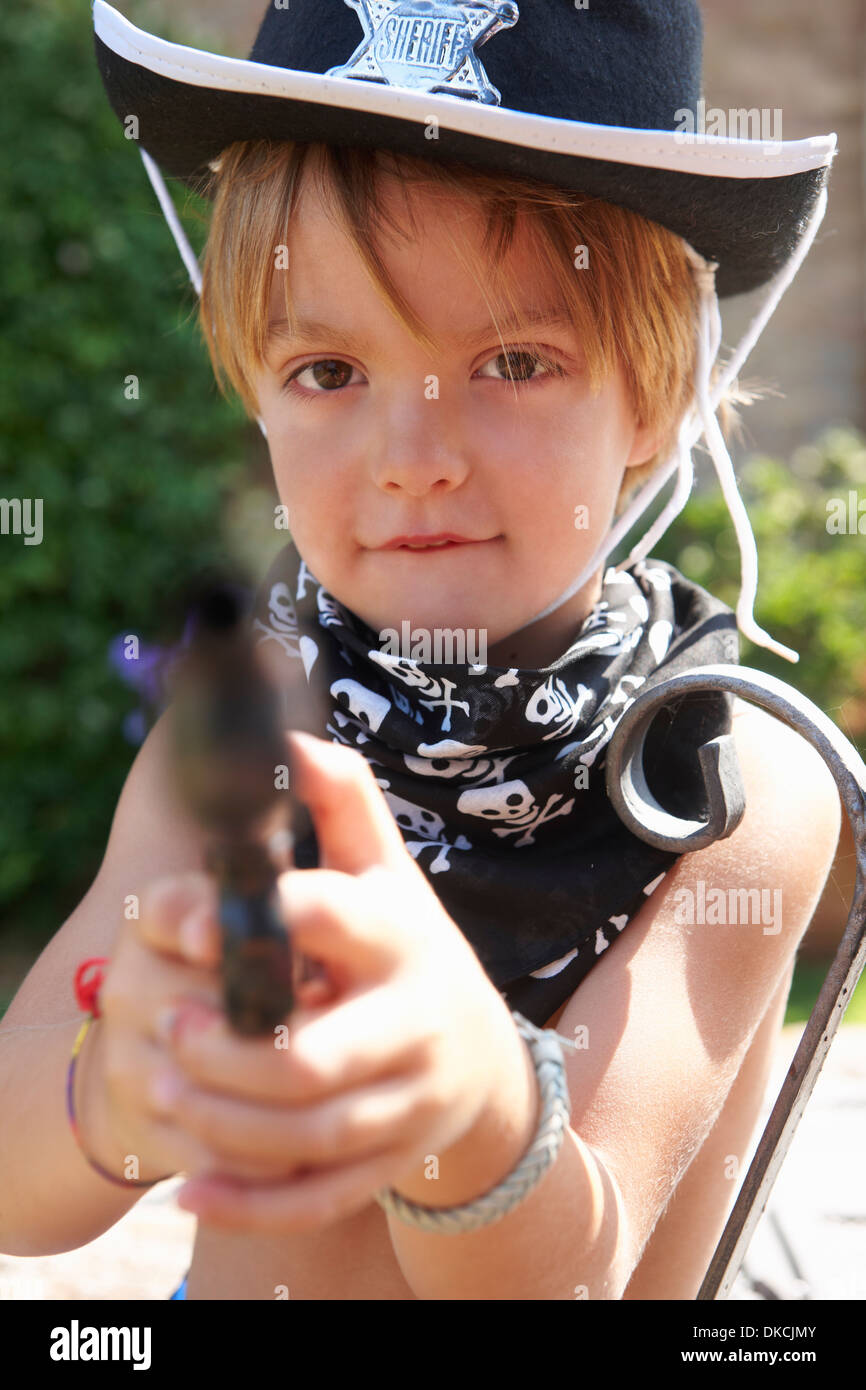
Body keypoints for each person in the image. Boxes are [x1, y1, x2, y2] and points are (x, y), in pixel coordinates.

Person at [0, 0, 842, 1300]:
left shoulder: (726, 784)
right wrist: (123, 1082)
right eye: (330, 371)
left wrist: (469, 1090)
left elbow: (570, 1270)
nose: (413, 460)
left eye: (512, 358)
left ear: (657, 392)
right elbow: (17, 1181)